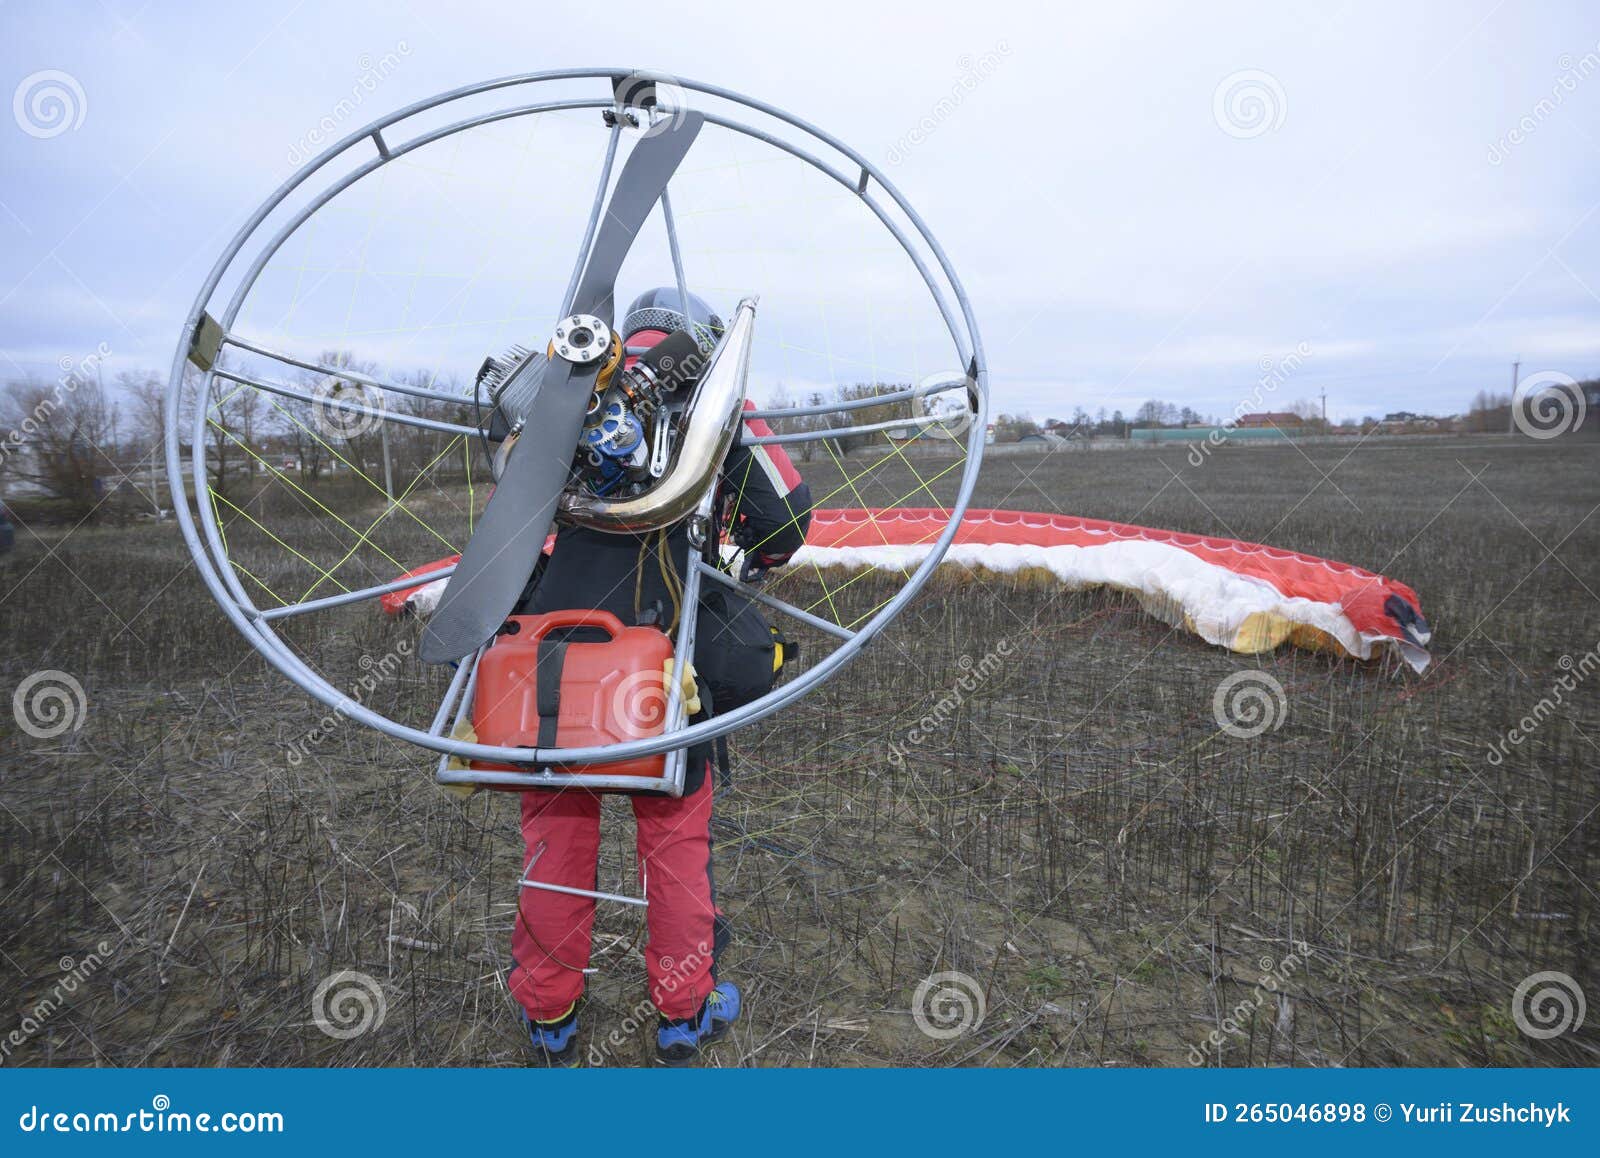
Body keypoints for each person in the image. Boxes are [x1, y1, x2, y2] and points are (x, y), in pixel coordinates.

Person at [505, 287, 813, 1066]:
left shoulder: (563, 391)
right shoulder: (712, 403)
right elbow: (786, 523)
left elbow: (507, 518)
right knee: (674, 847)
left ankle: (551, 1013)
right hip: (663, 666)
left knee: (556, 842)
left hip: (554, 663)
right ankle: (683, 1012)